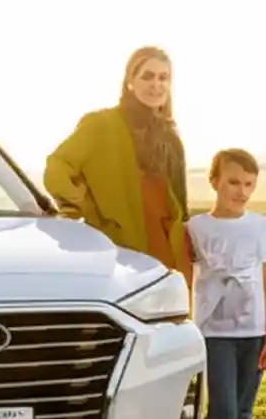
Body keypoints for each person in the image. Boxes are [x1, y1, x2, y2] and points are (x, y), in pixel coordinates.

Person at [185, 148, 266, 419]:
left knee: (242, 413)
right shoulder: (195, 228)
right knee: (223, 410)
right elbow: (182, 275)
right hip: (214, 333)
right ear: (215, 182)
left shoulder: (261, 227)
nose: (240, 191)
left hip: (253, 334)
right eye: (233, 182)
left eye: (248, 184)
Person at [44, 46, 193, 286]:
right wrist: (82, 206)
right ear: (130, 81)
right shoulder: (101, 124)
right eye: (147, 76)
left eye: (163, 77)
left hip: (170, 252)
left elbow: (178, 205)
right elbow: (57, 167)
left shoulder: (170, 136)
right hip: (122, 251)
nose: (156, 84)